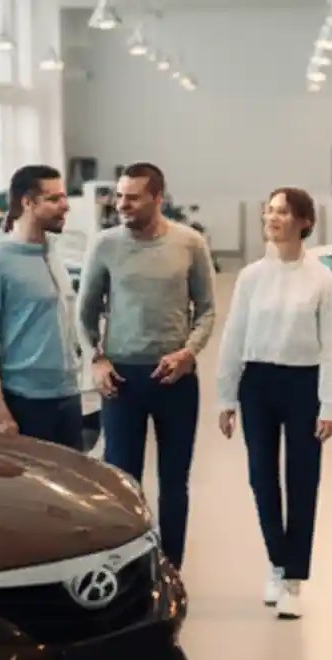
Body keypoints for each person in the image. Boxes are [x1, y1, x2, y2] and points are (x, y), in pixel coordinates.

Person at [216, 187, 332, 620]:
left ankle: (293, 577)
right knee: (261, 476)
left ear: (304, 222)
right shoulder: (251, 276)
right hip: (257, 382)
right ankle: (277, 560)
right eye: (269, 211)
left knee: (302, 479)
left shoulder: (322, 279)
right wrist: (226, 394)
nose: (272, 219)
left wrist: (329, 403)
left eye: (282, 213)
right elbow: (234, 335)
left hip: (303, 384)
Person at [77, 162, 217, 569]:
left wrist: (189, 353)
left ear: (158, 197)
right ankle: (126, 567)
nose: (122, 204)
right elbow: (84, 314)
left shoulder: (189, 243)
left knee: (175, 484)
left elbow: (206, 310)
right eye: (119, 196)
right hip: (121, 380)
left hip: (175, 377)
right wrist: (97, 360)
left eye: (132, 197)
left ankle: (171, 566)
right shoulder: (105, 245)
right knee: (122, 483)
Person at [0, 164, 84, 449]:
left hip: (68, 396)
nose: (65, 206)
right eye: (54, 199)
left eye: (64, 197)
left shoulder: (52, 251)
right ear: (27, 203)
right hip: (26, 403)